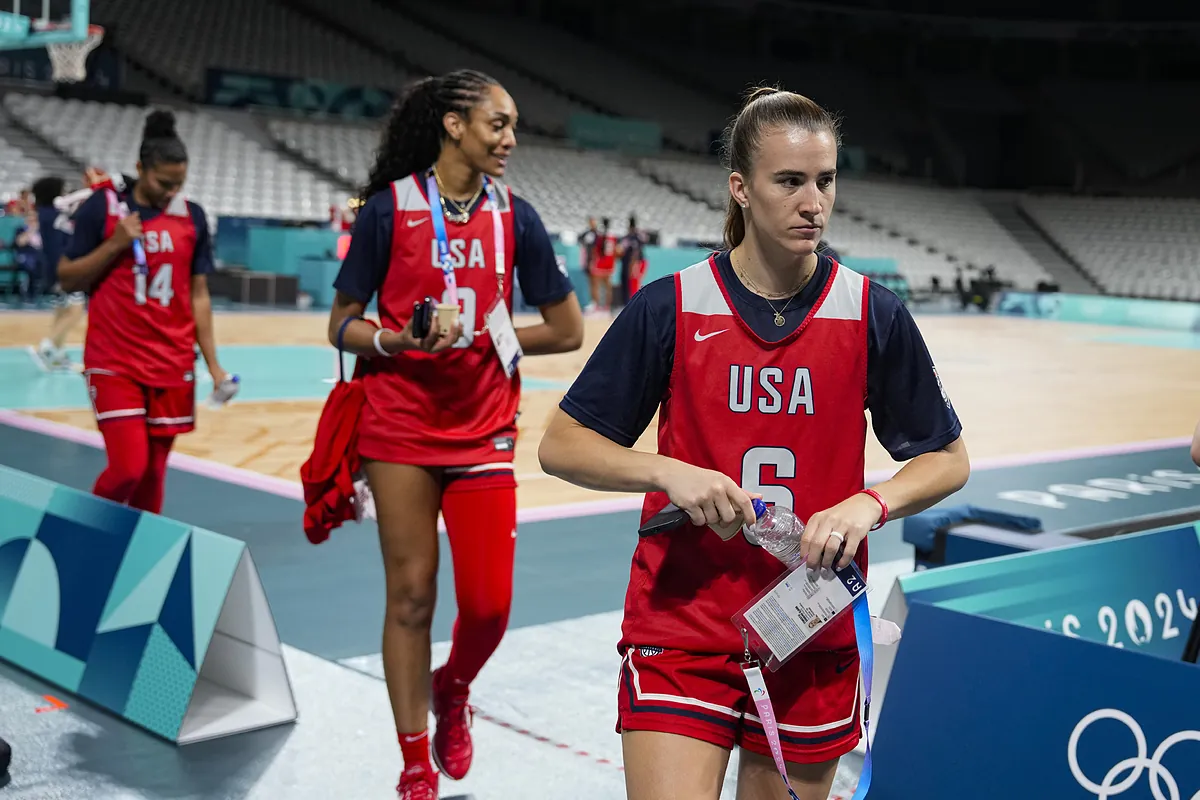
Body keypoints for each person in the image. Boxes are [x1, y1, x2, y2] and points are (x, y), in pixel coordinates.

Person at [538, 86, 970, 800]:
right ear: (740, 189)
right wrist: (665, 471)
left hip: (810, 626)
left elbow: (947, 458)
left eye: (825, 181)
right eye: (790, 181)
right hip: (683, 622)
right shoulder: (672, 304)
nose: (814, 203)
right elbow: (562, 444)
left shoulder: (871, 312)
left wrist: (871, 504)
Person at [324, 69, 583, 799]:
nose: (510, 138)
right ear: (453, 125)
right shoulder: (387, 211)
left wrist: (497, 332)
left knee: (489, 606)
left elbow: (568, 329)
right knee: (409, 598)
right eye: (498, 123)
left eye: (512, 126)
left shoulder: (517, 217)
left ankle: (454, 686)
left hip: (483, 431)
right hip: (398, 425)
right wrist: (397, 343)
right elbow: (341, 323)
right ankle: (413, 761)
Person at [58, 110, 228, 516]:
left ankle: (136, 565)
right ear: (140, 169)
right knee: (127, 469)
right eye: (163, 182)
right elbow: (66, 278)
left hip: (172, 362)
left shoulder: (193, 217)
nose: (171, 191)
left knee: (153, 477)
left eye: (179, 183)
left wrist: (214, 365)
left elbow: (198, 294)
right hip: (114, 360)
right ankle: (77, 538)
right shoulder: (103, 208)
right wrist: (114, 244)